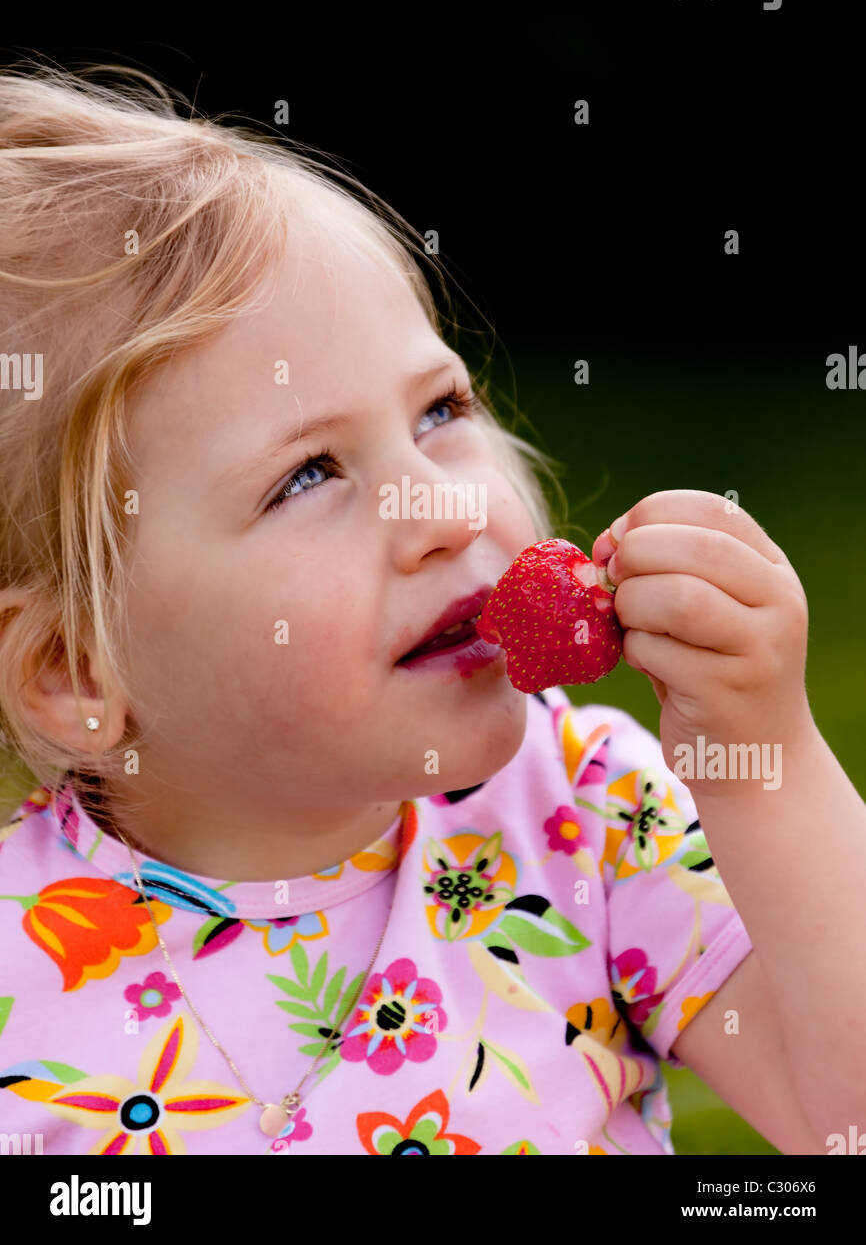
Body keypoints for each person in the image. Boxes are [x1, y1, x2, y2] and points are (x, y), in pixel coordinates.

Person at [0, 65, 776, 1156]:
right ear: (78, 669)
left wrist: (762, 747)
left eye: (441, 408)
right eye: (308, 474)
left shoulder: (588, 815)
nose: (444, 508)